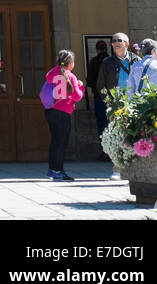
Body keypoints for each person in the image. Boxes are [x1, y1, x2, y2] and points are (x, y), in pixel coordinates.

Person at [97, 31, 135, 180]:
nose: (115, 43)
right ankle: (117, 168)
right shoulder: (107, 62)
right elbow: (101, 85)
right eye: (113, 41)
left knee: (134, 135)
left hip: (133, 103)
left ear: (127, 43)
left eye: (119, 40)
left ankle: (134, 168)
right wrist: (109, 103)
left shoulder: (135, 60)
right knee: (116, 136)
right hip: (116, 105)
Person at [44, 48, 85, 181]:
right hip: (63, 111)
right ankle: (59, 171)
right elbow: (77, 96)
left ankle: (51, 169)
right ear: (70, 63)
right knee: (62, 142)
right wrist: (80, 86)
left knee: (55, 140)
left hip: (50, 110)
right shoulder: (69, 76)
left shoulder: (51, 74)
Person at [86, 40, 110, 152]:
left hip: (99, 97)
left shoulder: (94, 62)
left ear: (97, 50)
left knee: (101, 123)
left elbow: (90, 81)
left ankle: (104, 151)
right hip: (113, 96)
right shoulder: (112, 61)